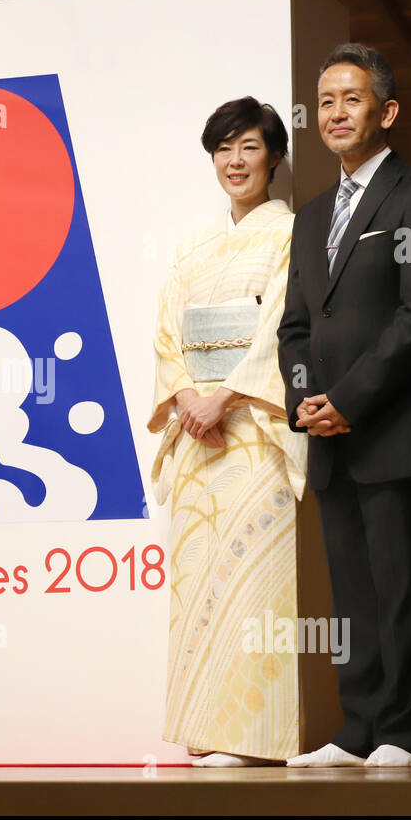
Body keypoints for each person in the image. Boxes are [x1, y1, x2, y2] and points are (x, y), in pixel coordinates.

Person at [277, 43, 411, 768]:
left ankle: (400, 733)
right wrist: (303, 400)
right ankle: (356, 730)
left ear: (385, 111)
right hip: (329, 434)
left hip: (394, 426)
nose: (336, 113)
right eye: (325, 101)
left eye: (351, 99)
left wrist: (348, 398)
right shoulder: (311, 213)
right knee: (351, 593)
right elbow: (295, 324)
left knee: (400, 586)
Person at [149, 97, 308, 767]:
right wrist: (186, 393)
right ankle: (207, 728)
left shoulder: (292, 233)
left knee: (258, 578)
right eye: (224, 149)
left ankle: (258, 735)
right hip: (198, 431)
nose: (235, 161)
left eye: (248, 147)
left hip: (252, 429)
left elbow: (280, 323)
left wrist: (225, 395)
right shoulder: (193, 245)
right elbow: (167, 329)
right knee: (197, 578)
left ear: (273, 156)